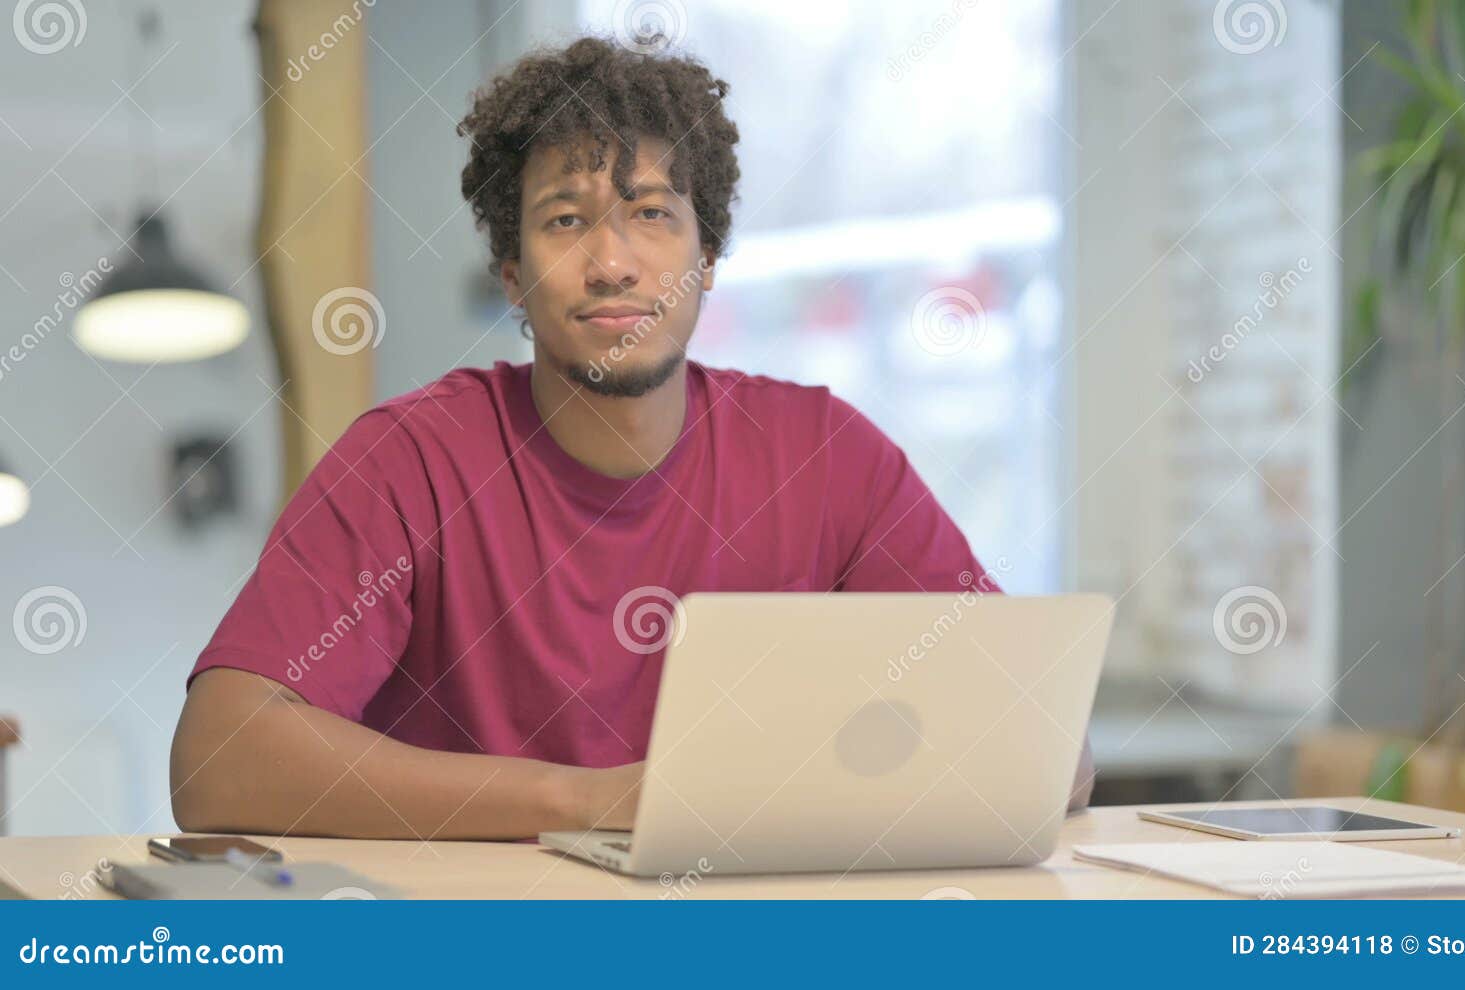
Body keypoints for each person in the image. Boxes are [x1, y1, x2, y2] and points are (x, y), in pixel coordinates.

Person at [170, 35, 1092, 841]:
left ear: (706, 260)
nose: (612, 262)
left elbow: (1048, 751)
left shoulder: (825, 454)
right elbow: (219, 758)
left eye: (652, 214)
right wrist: (593, 803)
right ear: (512, 278)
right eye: (565, 220)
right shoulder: (407, 461)